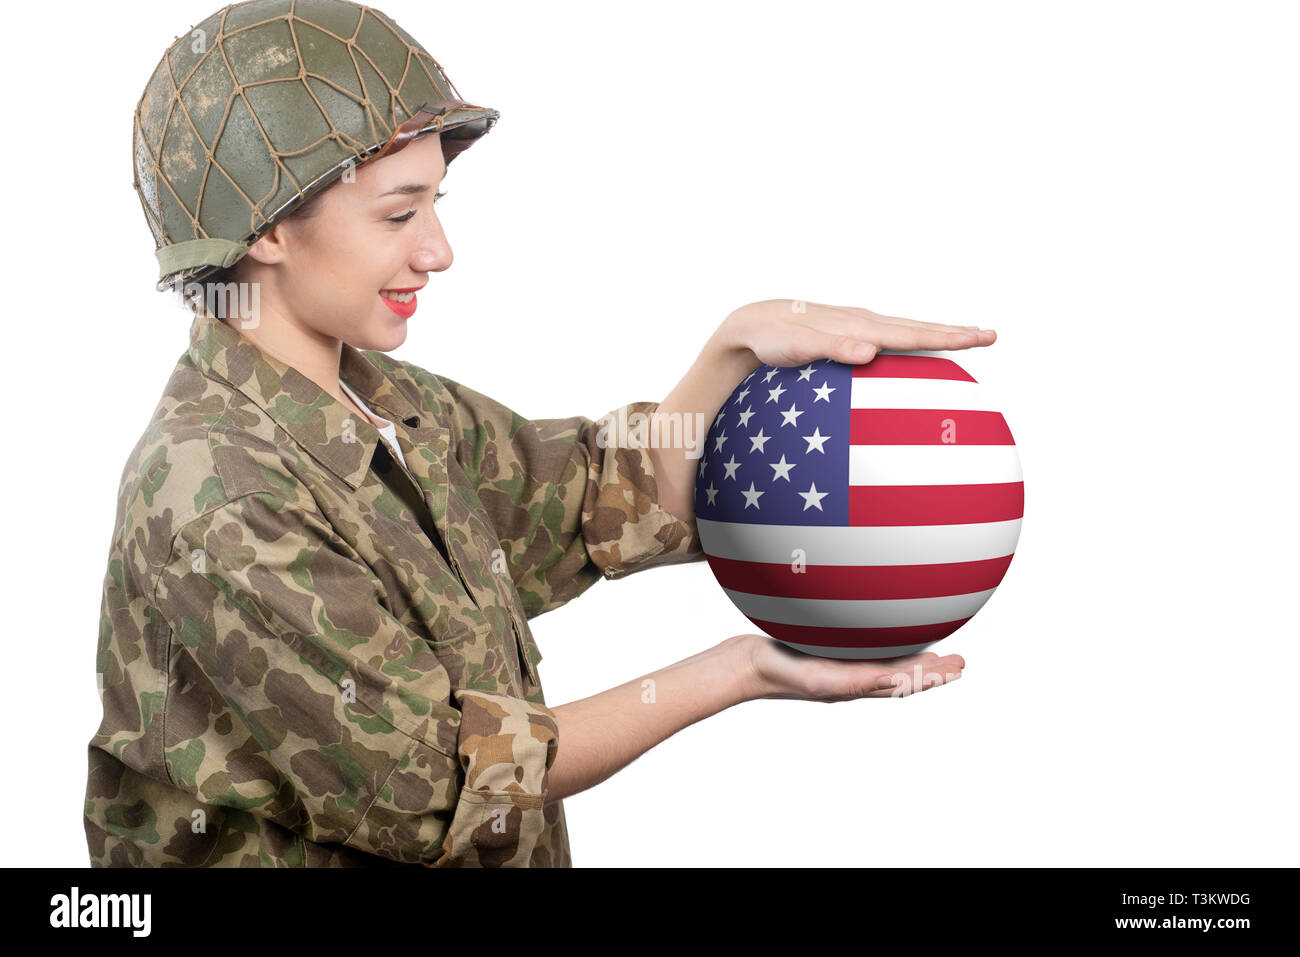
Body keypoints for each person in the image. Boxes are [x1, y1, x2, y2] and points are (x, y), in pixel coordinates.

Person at [85, 0, 991, 867]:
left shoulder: (391, 402)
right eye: (400, 213)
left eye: (438, 204)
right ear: (270, 230)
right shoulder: (220, 491)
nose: (438, 250)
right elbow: (441, 781)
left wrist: (735, 347)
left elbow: (593, 496)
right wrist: (742, 671)